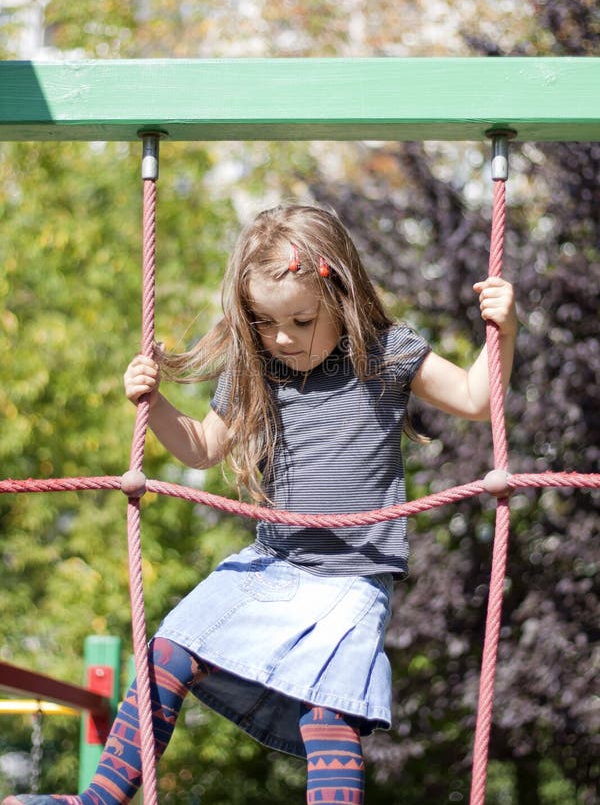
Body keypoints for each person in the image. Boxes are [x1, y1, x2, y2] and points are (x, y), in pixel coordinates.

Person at [5, 203, 517, 805]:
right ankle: (99, 798)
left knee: (329, 711)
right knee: (168, 651)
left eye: (301, 320)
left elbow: (476, 397)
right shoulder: (259, 368)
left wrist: (503, 332)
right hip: (276, 563)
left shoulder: (384, 352)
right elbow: (200, 449)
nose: (282, 337)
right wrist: (156, 404)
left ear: (341, 296)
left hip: (355, 577)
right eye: (264, 322)